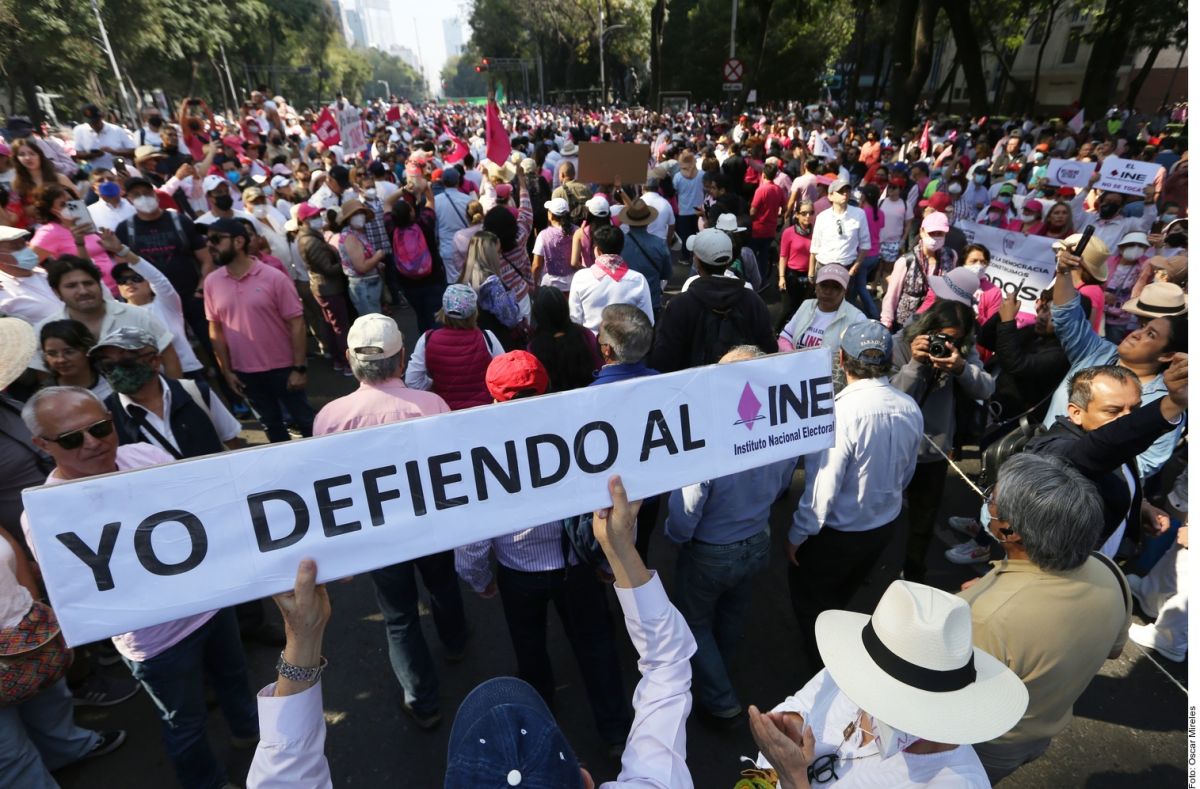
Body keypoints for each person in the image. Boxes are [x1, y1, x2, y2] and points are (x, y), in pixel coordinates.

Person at [247, 474, 696, 788]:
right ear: (586, 779)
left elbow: (668, 668)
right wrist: (620, 550)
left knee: (530, 646)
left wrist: (301, 638)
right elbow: (669, 668)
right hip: (570, 575)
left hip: (520, 580)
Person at [20, 386, 259, 789]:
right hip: (156, 640)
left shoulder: (146, 457)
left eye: (100, 428)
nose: (94, 444)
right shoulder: (47, 515)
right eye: (72, 439)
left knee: (235, 677)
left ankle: (252, 738)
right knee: (184, 721)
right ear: (42, 445)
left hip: (211, 605)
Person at [454, 355, 634, 755]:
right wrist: (608, 561)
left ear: (495, 398)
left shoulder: (482, 451)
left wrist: (479, 578)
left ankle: (538, 726)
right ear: (546, 387)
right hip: (578, 568)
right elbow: (608, 506)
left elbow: (473, 537)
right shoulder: (581, 436)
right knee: (596, 648)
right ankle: (616, 732)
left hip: (520, 576)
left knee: (529, 649)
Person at [313, 314, 468, 730]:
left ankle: (422, 699)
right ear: (401, 361)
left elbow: (327, 484)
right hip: (432, 525)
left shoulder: (330, 417)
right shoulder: (432, 405)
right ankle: (455, 644)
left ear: (350, 359)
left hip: (379, 536)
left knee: (399, 616)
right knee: (442, 584)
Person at [751, 579, 1027, 788]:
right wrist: (792, 722)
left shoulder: (954, 782)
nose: (863, 696)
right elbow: (803, 701)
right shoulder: (855, 668)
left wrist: (793, 777)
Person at [959, 453, 1130, 783]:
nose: (987, 502)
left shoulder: (984, 615)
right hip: (1038, 735)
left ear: (1010, 532)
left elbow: (952, 699)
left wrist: (989, 598)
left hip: (984, 744)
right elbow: (1115, 651)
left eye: (991, 499)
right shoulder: (1108, 571)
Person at [665, 344, 799, 723]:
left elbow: (686, 507)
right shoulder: (783, 426)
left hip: (711, 549)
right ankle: (721, 668)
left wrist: (677, 538)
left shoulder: (707, 431)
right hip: (757, 539)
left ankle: (720, 697)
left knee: (694, 622)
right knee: (734, 610)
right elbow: (783, 484)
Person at [786, 321, 923, 675]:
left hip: (837, 534)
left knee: (813, 603)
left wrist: (798, 535)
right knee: (842, 597)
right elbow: (907, 472)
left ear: (842, 359)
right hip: (882, 526)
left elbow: (822, 487)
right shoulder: (909, 406)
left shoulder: (842, 412)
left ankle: (824, 673)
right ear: (890, 359)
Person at [1048, 235, 1186, 477]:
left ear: (1168, 355)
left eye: (1150, 334)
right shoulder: (1098, 352)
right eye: (1141, 326)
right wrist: (1064, 272)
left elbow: (1144, 465)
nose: (1136, 334)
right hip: (1036, 464)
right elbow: (1066, 315)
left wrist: (1083, 475)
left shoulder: (1166, 403)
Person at [1, 524, 128, 787]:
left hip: (26, 632)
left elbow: (8, 541)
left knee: (50, 702)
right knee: (12, 755)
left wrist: (35, 608)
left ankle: (69, 749)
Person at [892, 299, 994, 582]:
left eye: (957, 340)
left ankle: (913, 574)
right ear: (928, 329)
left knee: (923, 522)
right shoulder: (900, 343)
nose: (947, 345)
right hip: (896, 447)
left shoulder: (961, 352)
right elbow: (889, 397)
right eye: (944, 338)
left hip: (933, 451)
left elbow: (986, 388)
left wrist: (960, 367)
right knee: (880, 513)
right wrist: (914, 364)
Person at [203, 217, 315, 442]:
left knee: (306, 423)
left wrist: (299, 368)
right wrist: (227, 371)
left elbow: (296, 323)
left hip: (284, 368)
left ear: (238, 242)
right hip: (245, 374)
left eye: (216, 239)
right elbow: (215, 330)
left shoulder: (274, 278)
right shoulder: (212, 282)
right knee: (272, 427)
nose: (210, 245)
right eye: (208, 240)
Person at [91, 326, 241, 457]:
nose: (117, 372)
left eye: (127, 363)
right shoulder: (105, 417)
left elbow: (231, 442)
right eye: (107, 365)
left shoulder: (197, 393)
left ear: (155, 361)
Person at [31, 255, 182, 379]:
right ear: (57, 292)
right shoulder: (43, 331)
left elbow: (170, 360)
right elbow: (46, 378)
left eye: (88, 283)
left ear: (99, 285)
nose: (83, 291)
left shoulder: (137, 315)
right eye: (71, 286)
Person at [648, 228, 775, 372]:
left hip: (691, 389)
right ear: (729, 262)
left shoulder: (680, 305)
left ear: (697, 261)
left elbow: (663, 360)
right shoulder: (753, 301)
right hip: (742, 388)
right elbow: (769, 350)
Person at [115, 177, 213, 355]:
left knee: (209, 341)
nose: (143, 198)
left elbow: (206, 258)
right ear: (129, 199)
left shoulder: (179, 221)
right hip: (156, 303)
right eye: (136, 195)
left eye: (146, 193)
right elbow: (124, 269)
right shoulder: (125, 230)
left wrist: (200, 290)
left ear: (155, 194)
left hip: (191, 295)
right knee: (172, 349)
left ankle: (221, 377)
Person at [404, 284, 502, 409]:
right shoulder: (487, 338)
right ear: (474, 312)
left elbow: (412, 381)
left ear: (444, 309)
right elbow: (503, 375)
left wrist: (433, 385)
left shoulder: (427, 339)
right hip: (483, 410)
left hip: (445, 411)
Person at [777, 263, 866, 391]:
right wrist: (795, 358)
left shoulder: (856, 318)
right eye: (824, 285)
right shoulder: (806, 306)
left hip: (831, 387)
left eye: (835, 287)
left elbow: (860, 363)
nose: (828, 291)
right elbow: (784, 338)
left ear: (845, 290)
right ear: (816, 286)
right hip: (797, 379)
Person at [29, 184, 120, 294]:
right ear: (52, 211)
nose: (69, 205)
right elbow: (27, 263)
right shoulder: (49, 232)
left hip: (116, 288)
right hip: (90, 294)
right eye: (62, 204)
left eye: (70, 200)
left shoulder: (83, 223)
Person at [295, 202, 351, 373]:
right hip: (328, 288)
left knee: (331, 324)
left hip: (323, 287)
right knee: (339, 326)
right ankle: (344, 361)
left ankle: (337, 359)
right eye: (313, 217)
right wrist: (346, 263)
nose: (318, 219)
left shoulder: (310, 237)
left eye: (317, 216)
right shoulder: (311, 241)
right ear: (304, 220)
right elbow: (327, 268)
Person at [567, 224, 654, 333]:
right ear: (622, 248)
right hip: (625, 345)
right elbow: (648, 321)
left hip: (591, 344)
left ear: (597, 250)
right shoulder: (638, 280)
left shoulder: (581, 277)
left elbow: (574, 319)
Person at [880, 211, 958, 331]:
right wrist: (886, 321)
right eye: (932, 233)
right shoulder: (906, 261)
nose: (935, 238)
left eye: (940, 234)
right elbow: (892, 295)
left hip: (935, 322)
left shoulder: (951, 256)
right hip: (907, 324)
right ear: (922, 232)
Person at [526, 286, 602, 391]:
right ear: (565, 308)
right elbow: (599, 367)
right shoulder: (585, 335)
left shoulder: (533, 348)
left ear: (538, 314)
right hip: (590, 396)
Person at [616, 198, 673, 313]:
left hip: (625, 301)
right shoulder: (660, 244)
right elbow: (667, 273)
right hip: (651, 301)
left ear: (628, 221)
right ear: (648, 221)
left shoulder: (619, 243)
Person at [0, 226, 62, 324]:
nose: (25, 249)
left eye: (24, 244)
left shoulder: (45, 273)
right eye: (16, 247)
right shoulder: (3, 290)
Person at [39, 319, 113, 400]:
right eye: (52, 354)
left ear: (87, 349)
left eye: (69, 352)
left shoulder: (113, 380)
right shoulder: (46, 397)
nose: (61, 360)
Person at [335, 199, 385, 316]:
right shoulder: (350, 237)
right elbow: (361, 267)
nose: (360, 216)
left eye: (361, 213)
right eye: (356, 214)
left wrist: (376, 263)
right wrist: (377, 256)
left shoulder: (358, 233)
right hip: (364, 286)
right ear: (348, 218)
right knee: (373, 323)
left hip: (369, 284)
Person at [809, 177, 870, 270]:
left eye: (847, 190)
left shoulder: (859, 214)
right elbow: (815, 246)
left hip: (847, 266)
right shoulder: (822, 217)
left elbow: (865, 243)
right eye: (840, 191)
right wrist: (811, 271)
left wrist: (855, 266)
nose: (845, 193)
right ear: (830, 196)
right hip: (824, 265)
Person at [591, 303, 658, 385]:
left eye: (600, 334)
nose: (598, 338)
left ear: (607, 349)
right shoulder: (663, 381)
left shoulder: (591, 392)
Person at [1103, 230, 1152, 342]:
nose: (1136, 248)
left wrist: (1159, 248)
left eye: (1141, 246)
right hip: (1100, 311)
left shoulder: (1144, 267)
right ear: (1121, 247)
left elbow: (1160, 268)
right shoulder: (1107, 262)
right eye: (1131, 244)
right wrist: (1102, 294)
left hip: (1121, 319)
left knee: (1111, 344)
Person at [776, 199, 816, 329]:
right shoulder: (789, 232)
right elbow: (783, 256)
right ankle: (774, 334)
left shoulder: (816, 232)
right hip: (791, 275)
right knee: (786, 309)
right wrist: (781, 277)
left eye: (811, 213)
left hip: (808, 277)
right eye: (804, 213)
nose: (808, 216)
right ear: (797, 215)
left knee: (803, 309)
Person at [849, 183, 883, 318]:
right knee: (856, 285)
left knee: (861, 287)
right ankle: (849, 307)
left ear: (864, 196)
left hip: (863, 256)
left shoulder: (862, 213)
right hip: (875, 255)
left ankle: (874, 314)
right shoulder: (880, 213)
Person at [531, 197, 578, 292]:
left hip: (550, 286)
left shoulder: (543, 235)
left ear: (551, 215)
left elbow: (536, 265)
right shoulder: (577, 231)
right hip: (573, 284)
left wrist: (534, 285)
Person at [748, 161, 786, 277]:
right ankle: (762, 280)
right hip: (771, 230)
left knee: (753, 256)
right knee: (763, 256)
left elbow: (753, 211)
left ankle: (753, 279)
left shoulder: (761, 190)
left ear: (763, 174)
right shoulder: (778, 190)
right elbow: (784, 208)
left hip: (757, 229)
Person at [72, 104, 135, 172]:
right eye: (90, 122)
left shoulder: (117, 130)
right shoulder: (79, 130)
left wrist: (114, 152)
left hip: (121, 172)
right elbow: (79, 154)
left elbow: (133, 152)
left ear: (101, 117)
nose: (93, 125)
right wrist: (93, 155)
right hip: (98, 176)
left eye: (96, 122)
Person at [570, 194, 611, 271]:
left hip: (588, 274)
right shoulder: (613, 232)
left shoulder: (579, 233)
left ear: (589, 213)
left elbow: (574, 262)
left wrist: (588, 271)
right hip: (609, 275)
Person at [449, 199, 485, 284]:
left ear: (466, 215)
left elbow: (457, 263)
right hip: (490, 276)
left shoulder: (458, 236)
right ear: (483, 214)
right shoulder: (490, 230)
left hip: (470, 280)